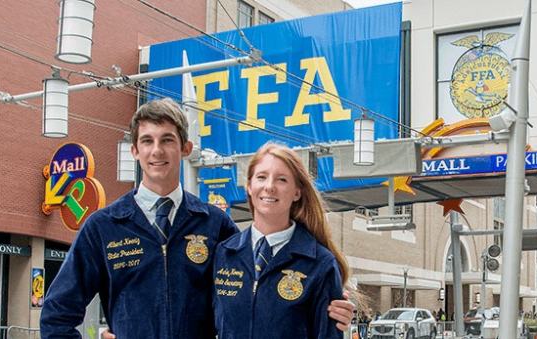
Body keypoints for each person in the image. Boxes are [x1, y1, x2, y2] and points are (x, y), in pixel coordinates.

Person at [41, 99, 355, 339]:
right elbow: (57, 314)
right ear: (134, 151)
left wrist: (329, 303)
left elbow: (260, 285)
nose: (157, 151)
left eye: (167, 140)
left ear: (186, 148)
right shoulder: (104, 227)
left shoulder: (215, 225)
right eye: (147, 141)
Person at [212, 143, 349, 338]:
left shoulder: (320, 263)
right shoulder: (224, 254)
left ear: (297, 192)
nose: (269, 187)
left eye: (282, 179)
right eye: (261, 177)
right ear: (249, 187)